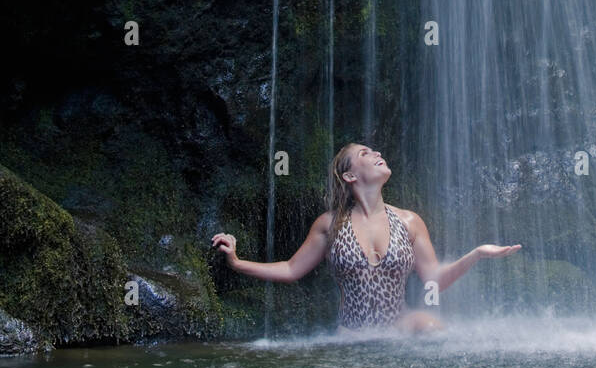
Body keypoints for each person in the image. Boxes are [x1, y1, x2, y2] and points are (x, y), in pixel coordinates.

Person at [212, 142, 521, 333]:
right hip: (353, 333)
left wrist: (477, 254)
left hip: (400, 326)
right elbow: (292, 269)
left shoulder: (410, 221)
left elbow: (434, 281)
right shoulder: (329, 225)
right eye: (365, 153)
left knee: (431, 327)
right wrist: (237, 263)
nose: (377, 153)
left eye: (374, 151)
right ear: (350, 176)